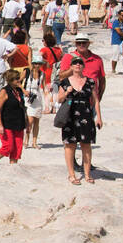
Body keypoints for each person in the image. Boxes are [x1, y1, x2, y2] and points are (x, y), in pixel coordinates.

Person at [57, 57, 102, 185]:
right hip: (70, 115)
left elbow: (96, 100)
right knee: (70, 144)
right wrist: (66, 92)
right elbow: (59, 99)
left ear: (83, 66)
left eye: (80, 63)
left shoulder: (90, 82)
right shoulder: (65, 82)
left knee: (86, 144)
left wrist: (99, 117)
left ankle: (87, 174)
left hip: (85, 115)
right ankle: (71, 175)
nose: (77, 65)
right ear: (71, 66)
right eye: (75, 63)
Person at [0, 69, 27, 164]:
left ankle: (13, 167)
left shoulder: (18, 90)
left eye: (19, 78)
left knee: (17, 148)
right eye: (16, 79)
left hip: (19, 123)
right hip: (7, 123)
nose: (19, 80)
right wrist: (0, 125)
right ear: (10, 80)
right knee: (8, 146)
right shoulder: (4, 91)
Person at [23, 63, 47, 148]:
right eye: (36, 63)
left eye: (39, 64)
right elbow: (18, 82)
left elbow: (44, 87)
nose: (37, 65)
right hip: (29, 97)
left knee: (37, 121)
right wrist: (24, 91)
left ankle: (34, 142)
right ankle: (26, 140)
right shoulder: (27, 72)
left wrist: (47, 100)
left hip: (37, 97)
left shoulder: (42, 74)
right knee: (30, 121)